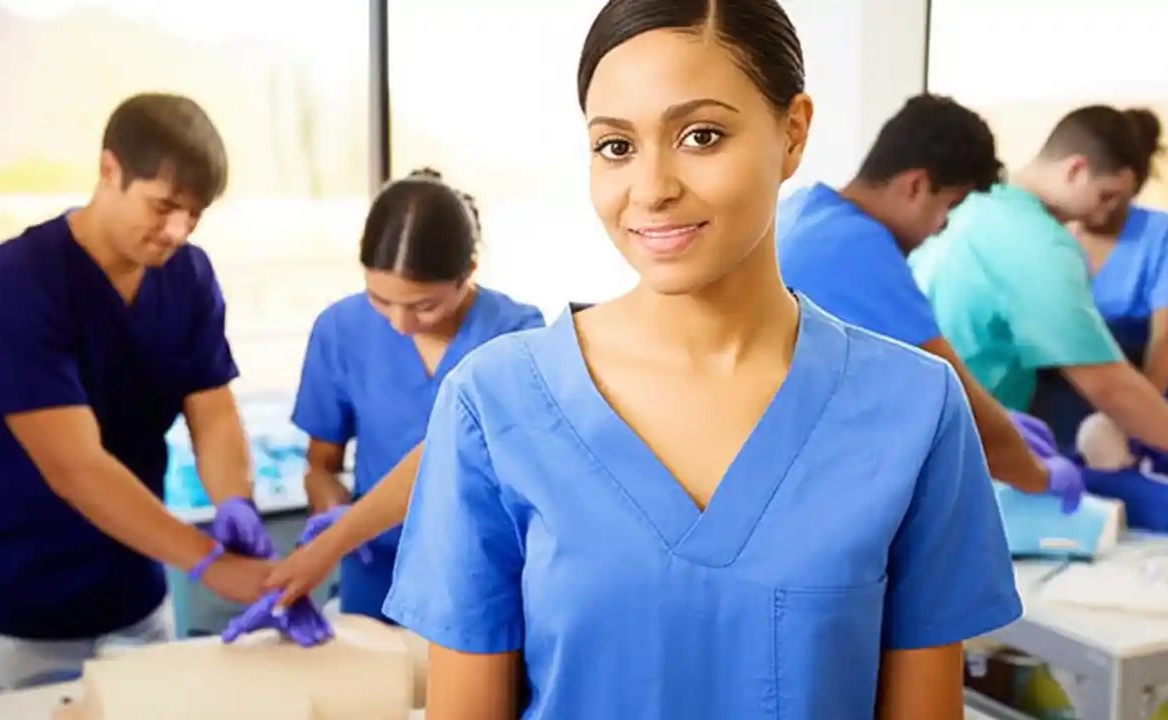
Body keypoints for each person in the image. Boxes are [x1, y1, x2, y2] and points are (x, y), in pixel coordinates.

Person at [381, 1, 1022, 717]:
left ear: (793, 131)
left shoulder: (914, 409)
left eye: (701, 135)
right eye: (616, 146)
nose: (652, 189)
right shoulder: (495, 404)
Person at [0, 93, 284, 702]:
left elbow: (214, 412)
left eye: (194, 215)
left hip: (134, 595)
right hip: (16, 600)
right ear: (109, 171)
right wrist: (210, 562)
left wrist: (235, 501)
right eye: (164, 206)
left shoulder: (189, 276)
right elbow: (75, 467)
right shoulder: (17, 281)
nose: (177, 230)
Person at [240, 168, 545, 622]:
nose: (400, 324)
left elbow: (447, 455)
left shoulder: (516, 336)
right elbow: (320, 465)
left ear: (468, 273)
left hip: (482, 572)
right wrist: (333, 511)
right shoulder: (340, 329)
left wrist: (335, 539)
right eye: (380, 300)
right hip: (374, 571)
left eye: (424, 305)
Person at [776, 93, 1081, 509]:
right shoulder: (858, 247)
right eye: (949, 208)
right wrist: (1039, 476)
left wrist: (1002, 422)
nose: (942, 229)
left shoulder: (804, 211)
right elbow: (956, 407)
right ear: (916, 185)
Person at [910, 104, 1168, 458]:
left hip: (924, 417)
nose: (1104, 214)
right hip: (963, 436)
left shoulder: (974, 204)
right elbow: (1109, 387)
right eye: (1106, 196)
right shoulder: (1040, 243)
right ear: (1076, 170)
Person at [1036, 108, 1168, 448]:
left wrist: (1135, 427)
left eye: (1115, 198)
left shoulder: (1167, 238)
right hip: (1068, 419)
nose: (1102, 209)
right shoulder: (1053, 240)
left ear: (1134, 185)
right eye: (1101, 195)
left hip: (1150, 405)